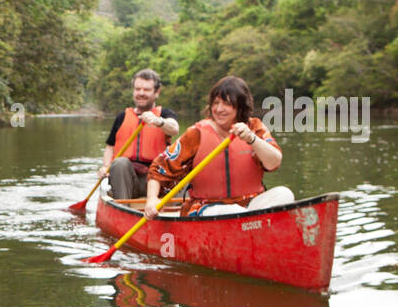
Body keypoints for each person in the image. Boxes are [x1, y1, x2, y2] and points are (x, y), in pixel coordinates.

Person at [144, 76, 294, 218]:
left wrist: (252, 139)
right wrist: (152, 200)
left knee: (284, 194)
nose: (219, 109)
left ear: (240, 106)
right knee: (234, 211)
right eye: (216, 103)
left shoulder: (254, 127)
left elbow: (274, 162)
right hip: (208, 208)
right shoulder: (197, 133)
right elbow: (159, 168)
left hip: (250, 205)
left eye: (227, 104)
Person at [99, 69, 179, 199]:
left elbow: (174, 128)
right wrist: (105, 167)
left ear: (156, 92)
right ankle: (123, 208)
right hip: (126, 182)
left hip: (156, 181)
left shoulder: (165, 114)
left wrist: (158, 121)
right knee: (120, 163)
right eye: (137, 89)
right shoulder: (122, 117)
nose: (141, 93)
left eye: (146, 90)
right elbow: (110, 147)